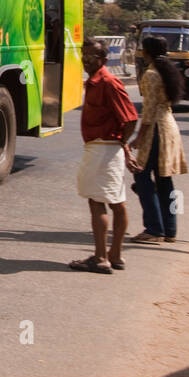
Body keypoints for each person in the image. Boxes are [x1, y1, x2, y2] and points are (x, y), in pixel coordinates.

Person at [71, 39, 139, 273]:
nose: (86, 61)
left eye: (91, 58)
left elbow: (130, 119)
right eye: (84, 56)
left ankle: (101, 258)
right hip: (107, 149)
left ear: (103, 59)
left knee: (97, 202)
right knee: (117, 203)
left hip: (103, 148)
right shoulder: (94, 82)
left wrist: (122, 144)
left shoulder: (108, 82)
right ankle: (115, 256)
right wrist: (123, 147)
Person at [129, 36, 187, 243]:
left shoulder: (151, 74)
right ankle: (169, 229)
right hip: (169, 125)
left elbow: (150, 110)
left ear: (147, 52)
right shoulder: (167, 71)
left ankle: (154, 228)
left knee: (142, 176)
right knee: (164, 179)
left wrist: (138, 137)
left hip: (157, 129)